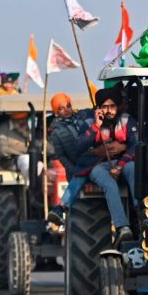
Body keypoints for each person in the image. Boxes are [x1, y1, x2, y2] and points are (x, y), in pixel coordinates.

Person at [72, 86, 137, 243]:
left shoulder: (127, 120)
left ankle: (142, 212)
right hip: (101, 165)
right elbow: (78, 148)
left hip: (125, 163)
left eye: (112, 106)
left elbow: (136, 145)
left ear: (118, 106)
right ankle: (122, 227)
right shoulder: (90, 123)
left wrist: (120, 165)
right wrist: (97, 127)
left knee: (133, 168)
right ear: (99, 108)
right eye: (104, 106)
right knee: (108, 183)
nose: (109, 110)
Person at [47, 93, 95, 225]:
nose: (66, 110)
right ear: (57, 112)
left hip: (95, 159)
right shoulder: (56, 132)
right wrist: (73, 169)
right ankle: (61, 208)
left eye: (68, 106)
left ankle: (60, 208)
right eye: (61, 108)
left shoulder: (82, 116)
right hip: (75, 168)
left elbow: (94, 112)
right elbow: (61, 156)